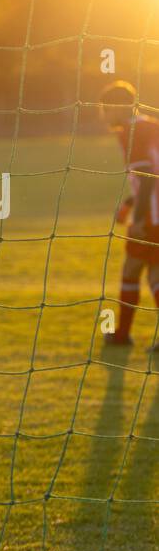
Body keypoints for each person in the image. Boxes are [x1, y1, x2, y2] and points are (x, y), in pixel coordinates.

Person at [99, 80, 159, 350]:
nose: (104, 114)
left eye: (106, 108)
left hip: (154, 217)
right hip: (153, 210)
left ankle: (122, 335)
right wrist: (129, 204)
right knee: (152, 273)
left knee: (134, 270)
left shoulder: (131, 132)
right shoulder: (151, 124)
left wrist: (137, 220)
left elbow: (147, 177)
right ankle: (122, 335)